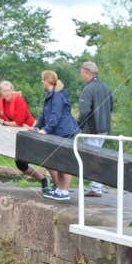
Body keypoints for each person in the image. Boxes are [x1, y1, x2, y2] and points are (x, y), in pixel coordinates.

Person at [33, 69, 79, 200]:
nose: (42, 82)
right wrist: (36, 127)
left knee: (63, 161)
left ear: (47, 81)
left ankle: (64, 191)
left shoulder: (57, 95)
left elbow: (55, 115)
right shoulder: (50, 94)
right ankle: (60, 189)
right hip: (59, 132)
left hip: (65, 132)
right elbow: (44, 114)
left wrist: (46, 130)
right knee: (58, 161)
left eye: (42, 80)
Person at [0, 80, 44, 189]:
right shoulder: (1, 101)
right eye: (4, 91)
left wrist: (6, 123)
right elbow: (2, 118)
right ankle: (43, 179)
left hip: (32, 130)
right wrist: (5, 122)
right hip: (18, 134)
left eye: (8, 91)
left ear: (12, 91)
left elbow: (19, 122)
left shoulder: (19, 101)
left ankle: (56, 184)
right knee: (21, 164)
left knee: (41, 157)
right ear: (1, 92)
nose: (6, 93)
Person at [76, 60, 113, 197]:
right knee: (97, 156)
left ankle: (96, 188)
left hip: (92, 128)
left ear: (87, 72)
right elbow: (111, 108)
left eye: (82, 72)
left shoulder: (88, 89)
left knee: (92, 158)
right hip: (104, 127)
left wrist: (78, 125)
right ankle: (97, 186)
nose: (81, 75)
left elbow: (84, 111)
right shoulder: (106, 87)